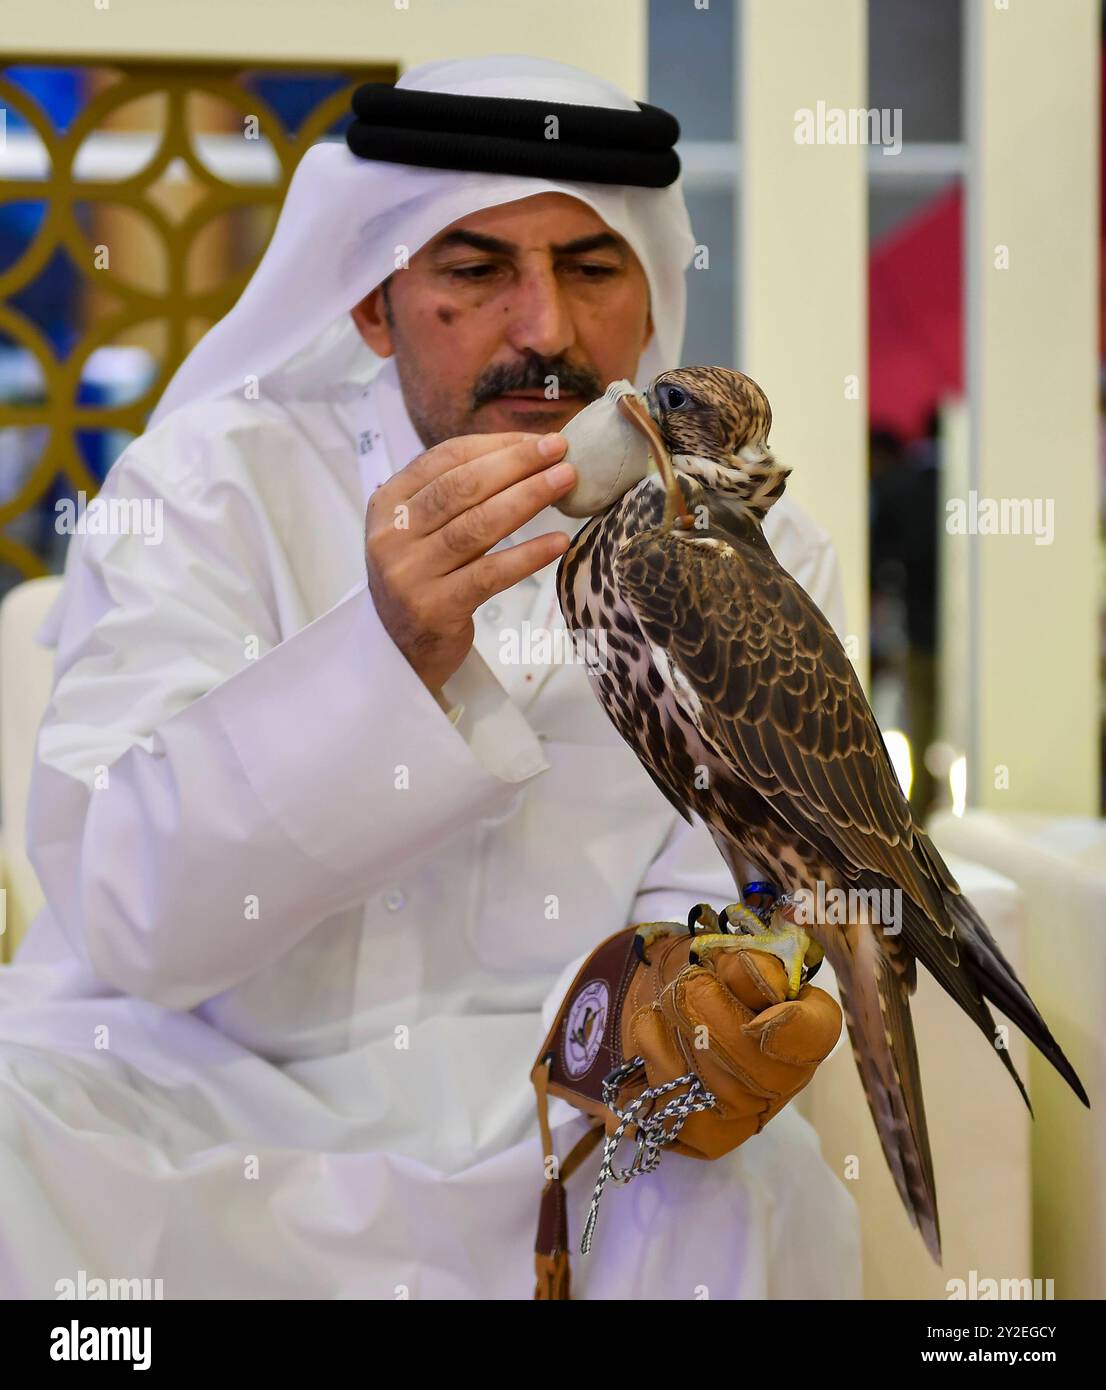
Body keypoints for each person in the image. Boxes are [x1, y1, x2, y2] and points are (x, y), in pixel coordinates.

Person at [0, 56, 860, 1300]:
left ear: (648, 292)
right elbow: (136, 923)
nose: (546, 332)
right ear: (369, 303)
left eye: (589, 267)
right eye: (474, 271)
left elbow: (737, 887)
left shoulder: (761, 555)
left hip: (556, 1106)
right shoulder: (203, 490)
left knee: (730, 1186)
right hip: (189, 1085)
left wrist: (694, 997)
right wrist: (384, 656)